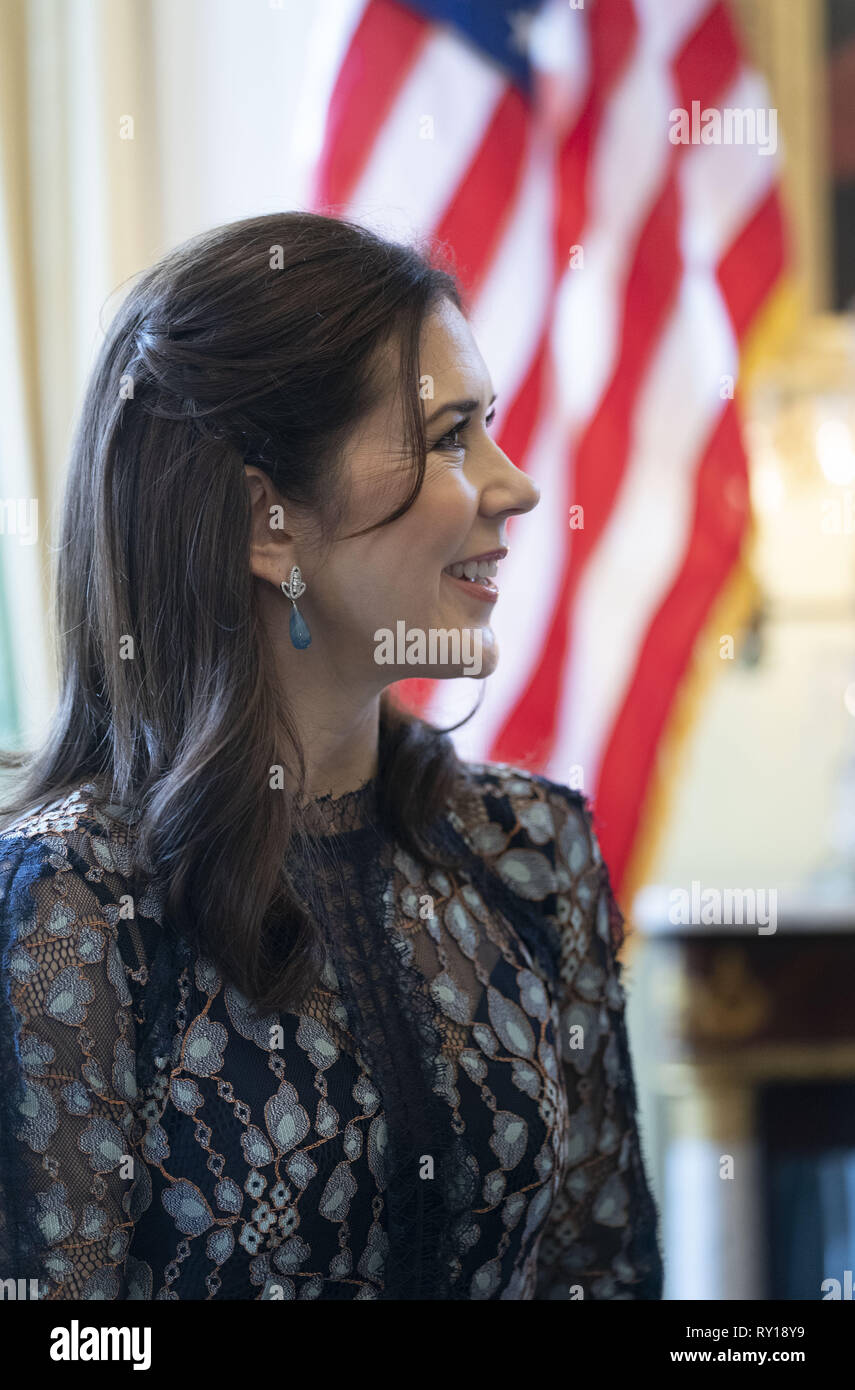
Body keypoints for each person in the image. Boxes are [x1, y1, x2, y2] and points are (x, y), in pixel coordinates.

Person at [0, 211, 662, 1301]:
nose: (517, 485)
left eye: (487, 427)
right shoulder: (67, 908)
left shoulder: (534, 853)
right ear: (270, 523)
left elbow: (604, 1278)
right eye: (452, 435)